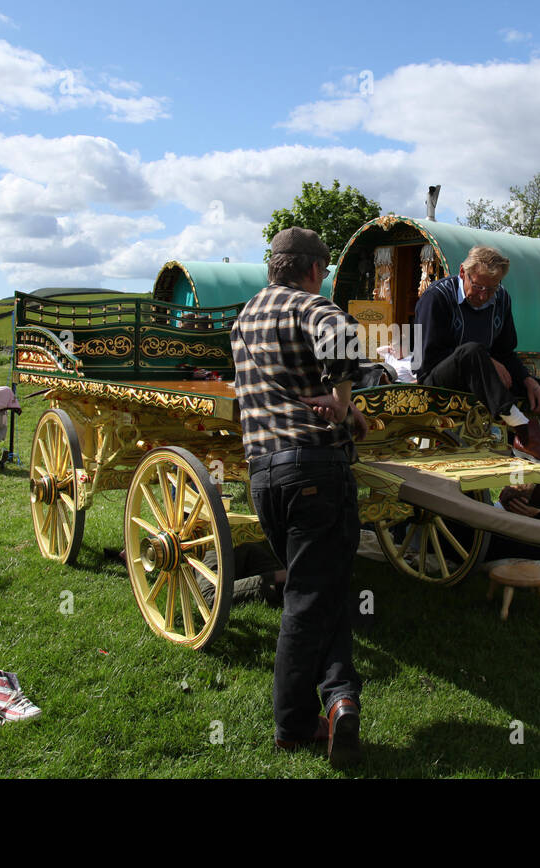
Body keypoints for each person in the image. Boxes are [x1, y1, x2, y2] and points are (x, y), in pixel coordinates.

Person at [230, 226, 367, 766]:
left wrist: (330, 399)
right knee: (309, 598)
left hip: (263, 473)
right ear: (313, 269)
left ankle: (340, 700)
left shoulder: (244, 317)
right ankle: (291, 724)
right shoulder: (310, 306)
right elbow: (345, 333)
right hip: (315, 467)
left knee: (319, 586)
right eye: (325, 271)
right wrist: (340, 398)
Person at [413, 244, 540, 520]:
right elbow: (425, 360)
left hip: (484, 377)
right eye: (479, 286)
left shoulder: (502, 298)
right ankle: (522, 429)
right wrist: (484, 358)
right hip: (437, 382)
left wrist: (528, 380)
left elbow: (506, 351)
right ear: (463, 272)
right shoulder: (435, 298)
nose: (484, 296)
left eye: (492, 288)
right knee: (472, 351)